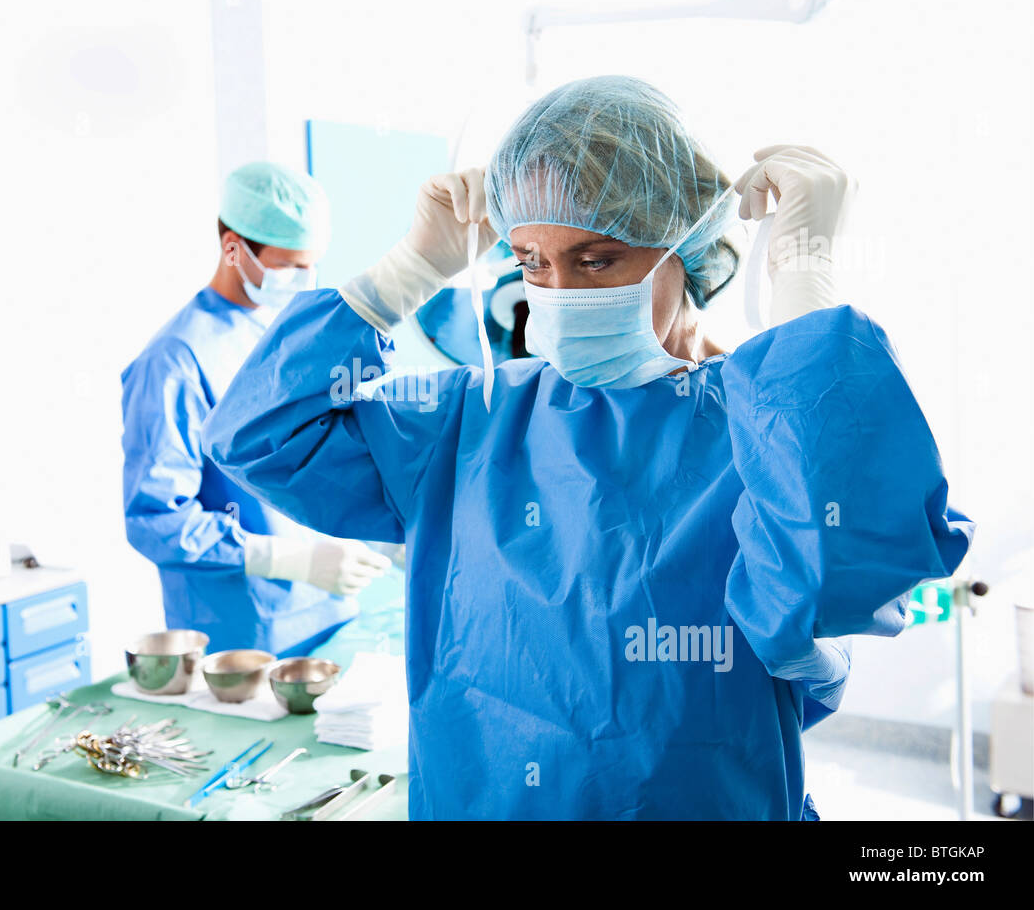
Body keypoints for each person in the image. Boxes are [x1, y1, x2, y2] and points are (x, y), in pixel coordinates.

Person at [202, 77, 974, 819]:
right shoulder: (473, 417)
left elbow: (839, 575)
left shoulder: (760, 429)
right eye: (532, 262)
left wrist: (806, 286)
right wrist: (407, 270)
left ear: (686, 248)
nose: (557, 295)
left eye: (596, 259)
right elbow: (259, 436)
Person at [121, 161, 390, 658]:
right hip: (244, 630)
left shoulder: (282, 337)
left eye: (312, 264)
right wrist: (281, 558)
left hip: (332, 607)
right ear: (232, 248)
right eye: (289, 265)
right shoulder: (174, 361)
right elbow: (155, 520)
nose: (304, 279)